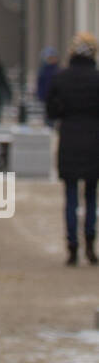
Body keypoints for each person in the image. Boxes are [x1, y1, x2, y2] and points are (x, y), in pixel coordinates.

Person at [45, 32, 99, 266]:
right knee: (91, 196)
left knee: (70, 197)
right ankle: (90, 243)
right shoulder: (97, 79)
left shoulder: (61, 78)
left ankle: (72, 246)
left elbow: (50, 111)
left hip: (68, 140)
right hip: (95, 142)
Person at [37, 47, 59, 124]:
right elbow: (40, 85)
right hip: (46, 98)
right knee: (48, 117)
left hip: (55, 99)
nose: (51, 60)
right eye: (49, 58)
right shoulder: (43, 71)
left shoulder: (57, 71)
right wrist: (40, 96)